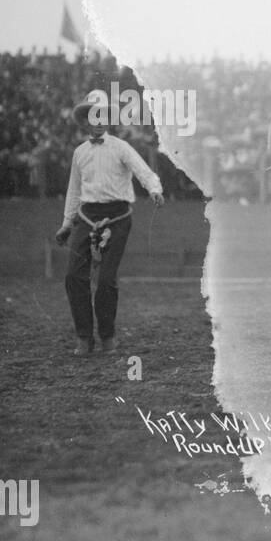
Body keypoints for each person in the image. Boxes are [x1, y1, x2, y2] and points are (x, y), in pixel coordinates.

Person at [54, 89, 164, 356]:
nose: (98, 119)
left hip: (117, 217)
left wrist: (154, 188)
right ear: (85, 121)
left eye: (102, 114)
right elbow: (74, 190)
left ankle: (107, 336)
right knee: (73, 276)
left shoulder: (121, 147)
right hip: (86, 216)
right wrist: (67, 224)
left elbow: (143, 170)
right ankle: (83, 337)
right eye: (93, 115)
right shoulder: (80, 153)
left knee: (105, 281)